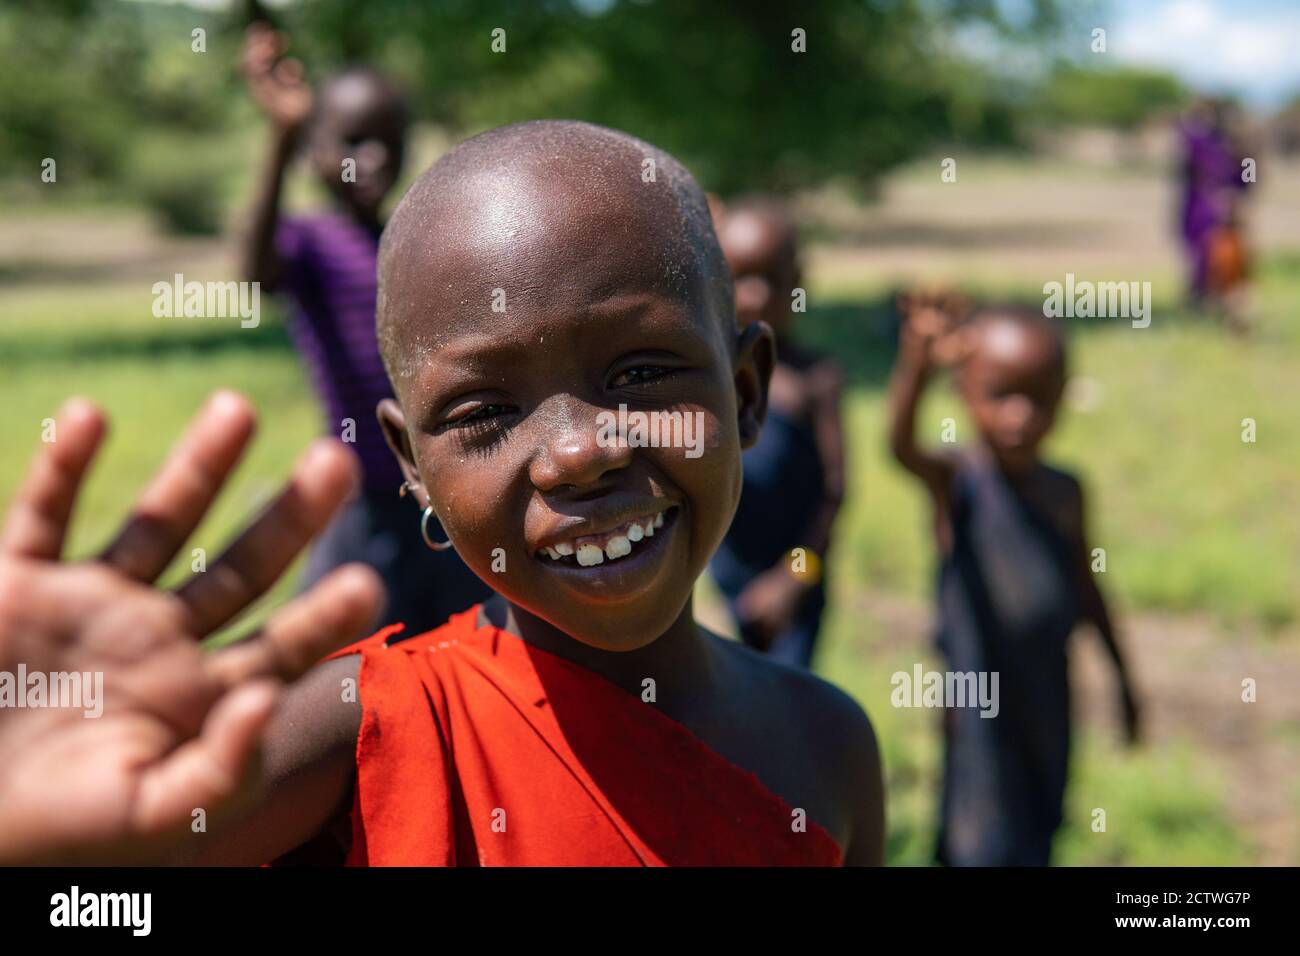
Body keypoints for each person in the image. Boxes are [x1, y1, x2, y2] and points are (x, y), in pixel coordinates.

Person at [0, 121, 883, 866]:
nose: (577, 454)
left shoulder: (825, 744)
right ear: (410, 463)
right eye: (486, 410)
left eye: (642, 370)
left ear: (747, 392)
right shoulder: (352, 735)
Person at [240, 23, 489, 631]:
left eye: (387, 141)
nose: (370, 160)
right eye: (352, 141)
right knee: (332, 643)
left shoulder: (416, 240)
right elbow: (256, 275)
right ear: (314, 152)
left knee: (462, 642)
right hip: (360, 496)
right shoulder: (312, 243)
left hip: (439, 491)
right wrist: (281, 135)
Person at [887, 302, 1139, 866]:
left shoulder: (1064, 492)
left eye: (1040, 398)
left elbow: (1088, 587)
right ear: (965, 391)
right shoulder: (958, 482)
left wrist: (1124, 680)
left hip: (1047, 695)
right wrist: (915, 369)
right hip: (978, 704)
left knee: (1040, 823)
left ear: (1064, 395)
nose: (1020, 417)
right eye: (1000, 395)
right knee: (978, 837)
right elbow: (901, 449)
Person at [708, 198, 844, 668]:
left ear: (798, 282)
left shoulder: (815, 381)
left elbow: (834, 493)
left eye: (773, 280)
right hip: (718, 580)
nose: (756, 296)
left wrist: (793, 579)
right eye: (739, 278)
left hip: (794, 580)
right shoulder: (704, 379)